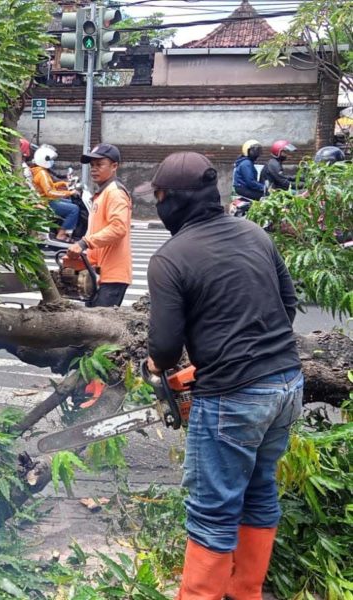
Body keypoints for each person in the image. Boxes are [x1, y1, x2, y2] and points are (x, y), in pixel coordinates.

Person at [145, 152, 302, 600]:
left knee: (212, 510)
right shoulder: (254, 233)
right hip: (287, 382)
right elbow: (288, 306)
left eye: (159, 197)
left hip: (234, 397)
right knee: (259, 489)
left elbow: (164, 349)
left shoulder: (170, 259)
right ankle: (245, 591)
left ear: (172, 200)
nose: (158, 203)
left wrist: (155, 367)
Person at [67, 143, 132, 307]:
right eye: (92, 165)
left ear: (114, 166)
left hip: (113, 276)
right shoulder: (102, 193)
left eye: (99, 164)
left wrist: (84, 243)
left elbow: (118, 228)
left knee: (100, 322)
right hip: (98, 272)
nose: (94, 169)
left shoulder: (115, 193)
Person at [30, 144, 79, 242]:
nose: (52, 162)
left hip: (46, 199)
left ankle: (59, 228)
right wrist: (69, 193)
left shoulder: (39, 171)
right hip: (47, 202)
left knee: (71, 203)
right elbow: (49, 192)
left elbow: (49, 186)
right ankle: (61, 234)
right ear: (44, 159)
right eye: (50, 159)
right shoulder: (42, 174)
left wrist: (63, 184)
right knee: (74, 209)